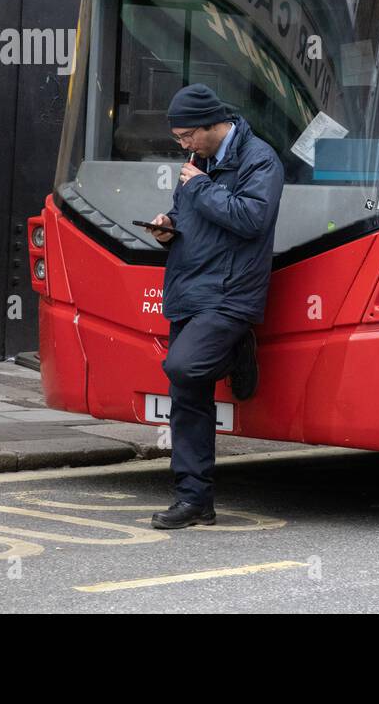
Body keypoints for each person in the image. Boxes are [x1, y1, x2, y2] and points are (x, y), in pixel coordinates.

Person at [144, 83, 284, 530]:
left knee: (182, 367)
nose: (183, 145)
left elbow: (251, 219)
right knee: (188, 395)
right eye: (179, 139)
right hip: (189, 288)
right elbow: (189, 215)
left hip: (230, 291)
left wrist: (202, 187)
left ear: (213, 125)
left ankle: (237, 342)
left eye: (187, 136)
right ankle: (194, 499)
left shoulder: (259, 159)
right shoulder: (197, 163)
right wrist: (169, 227)